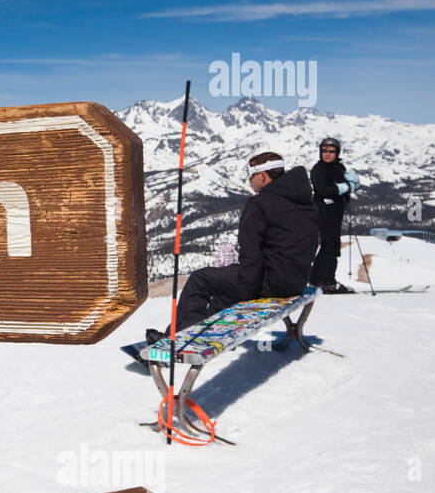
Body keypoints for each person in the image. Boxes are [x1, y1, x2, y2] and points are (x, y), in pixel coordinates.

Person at [147, 152, 319, 342]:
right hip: (295, 282)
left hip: (270, 282)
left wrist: (244, 295)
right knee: (224, 293)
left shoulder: (259, 204)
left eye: (251, 175)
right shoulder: (304, 201)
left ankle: (177, 338)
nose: (249, 180)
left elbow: (251, 255)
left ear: (263, 176)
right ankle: (193, 331)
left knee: (200, 279)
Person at [308, 137, 360, 294]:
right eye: (324, 151)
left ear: (337, 153)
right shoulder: (318, 169)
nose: (327, 154)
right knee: (331, 245)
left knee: (327, 245)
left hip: (334, 211)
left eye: (331, 151)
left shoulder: (338, 168)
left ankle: (316, 279)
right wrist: (345, 186)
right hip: (324, 210)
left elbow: (342, 188)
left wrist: (351, 186)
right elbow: (324, 190)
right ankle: (328, 282)